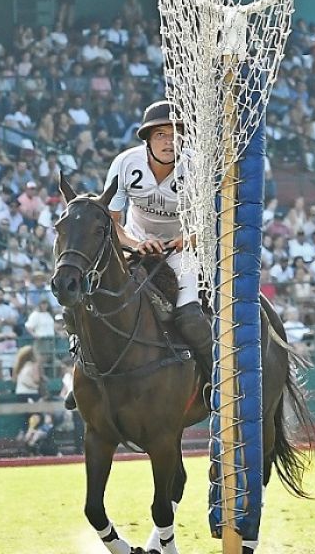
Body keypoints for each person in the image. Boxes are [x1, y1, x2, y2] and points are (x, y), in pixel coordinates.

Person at [65, 101, 212, 410]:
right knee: (88, 301)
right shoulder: (125, 163)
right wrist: (136, 243)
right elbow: (112, 221)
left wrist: (186, 239)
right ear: (147, 139)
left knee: (190, 317)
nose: (169, 142)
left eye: (175, 135)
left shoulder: (196, 168)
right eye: (161, 134)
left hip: (181, 249)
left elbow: (209, 223)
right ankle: (81, 374)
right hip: (133, 243)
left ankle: (216, 383)